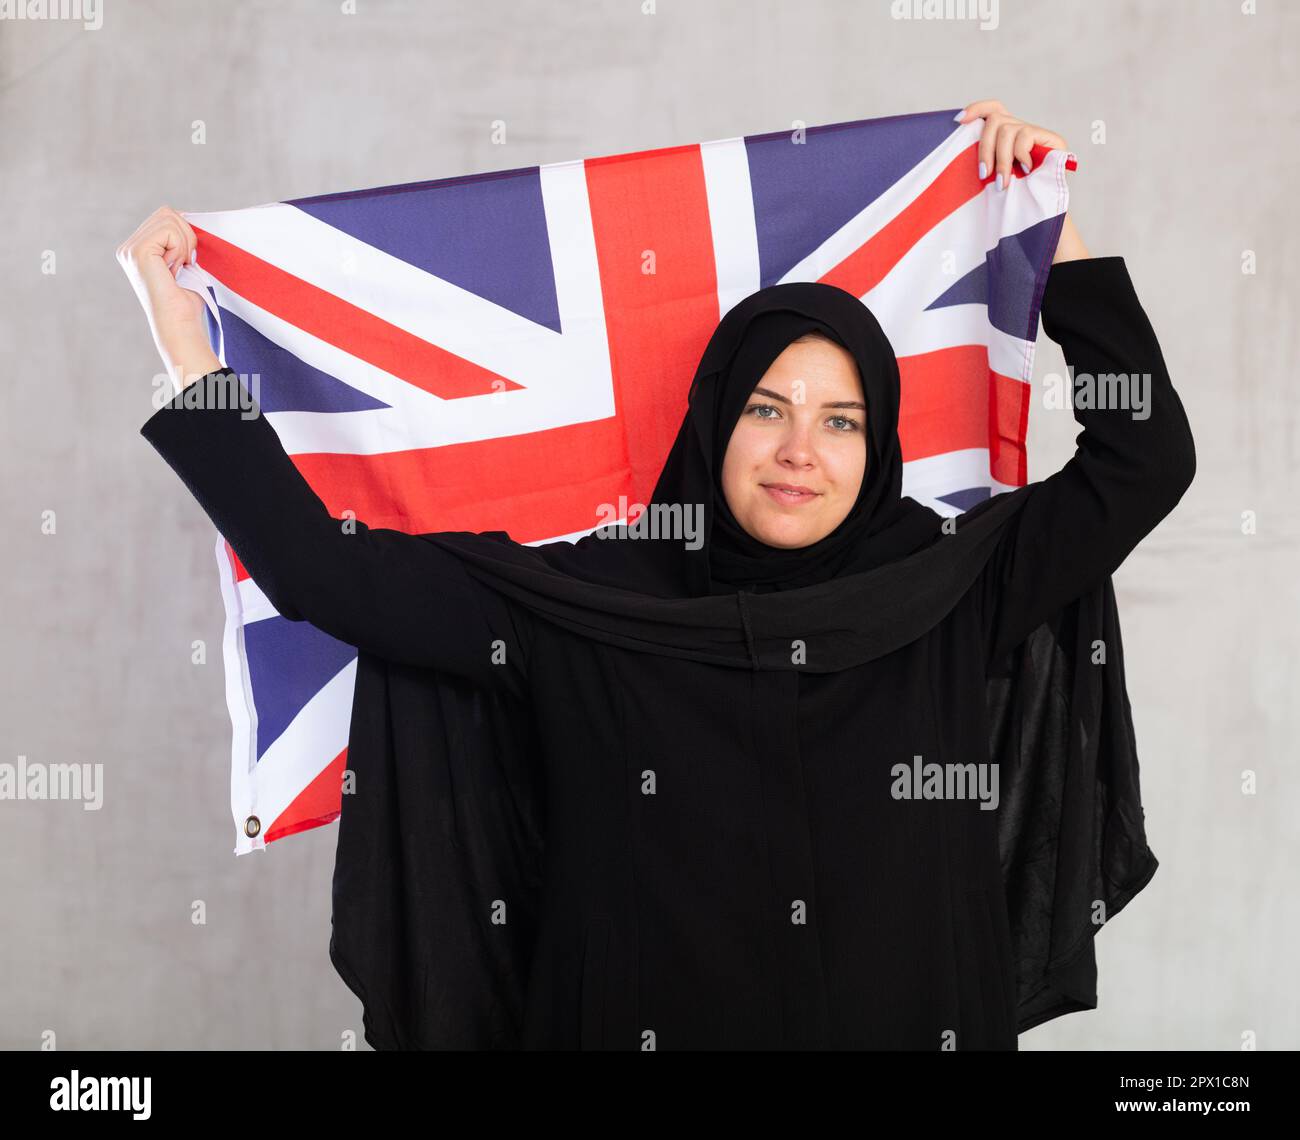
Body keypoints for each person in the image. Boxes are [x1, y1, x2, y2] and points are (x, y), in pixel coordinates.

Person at [119, 102, 1196, 1050]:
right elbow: (324, 574)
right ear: (716, 422)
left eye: (840, 421)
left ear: (878, 448)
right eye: (767, 411)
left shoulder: (951, 587)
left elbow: (1142, 458)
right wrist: (187, 352)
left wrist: (1049, 230)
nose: (798, 452)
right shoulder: (581, 607)